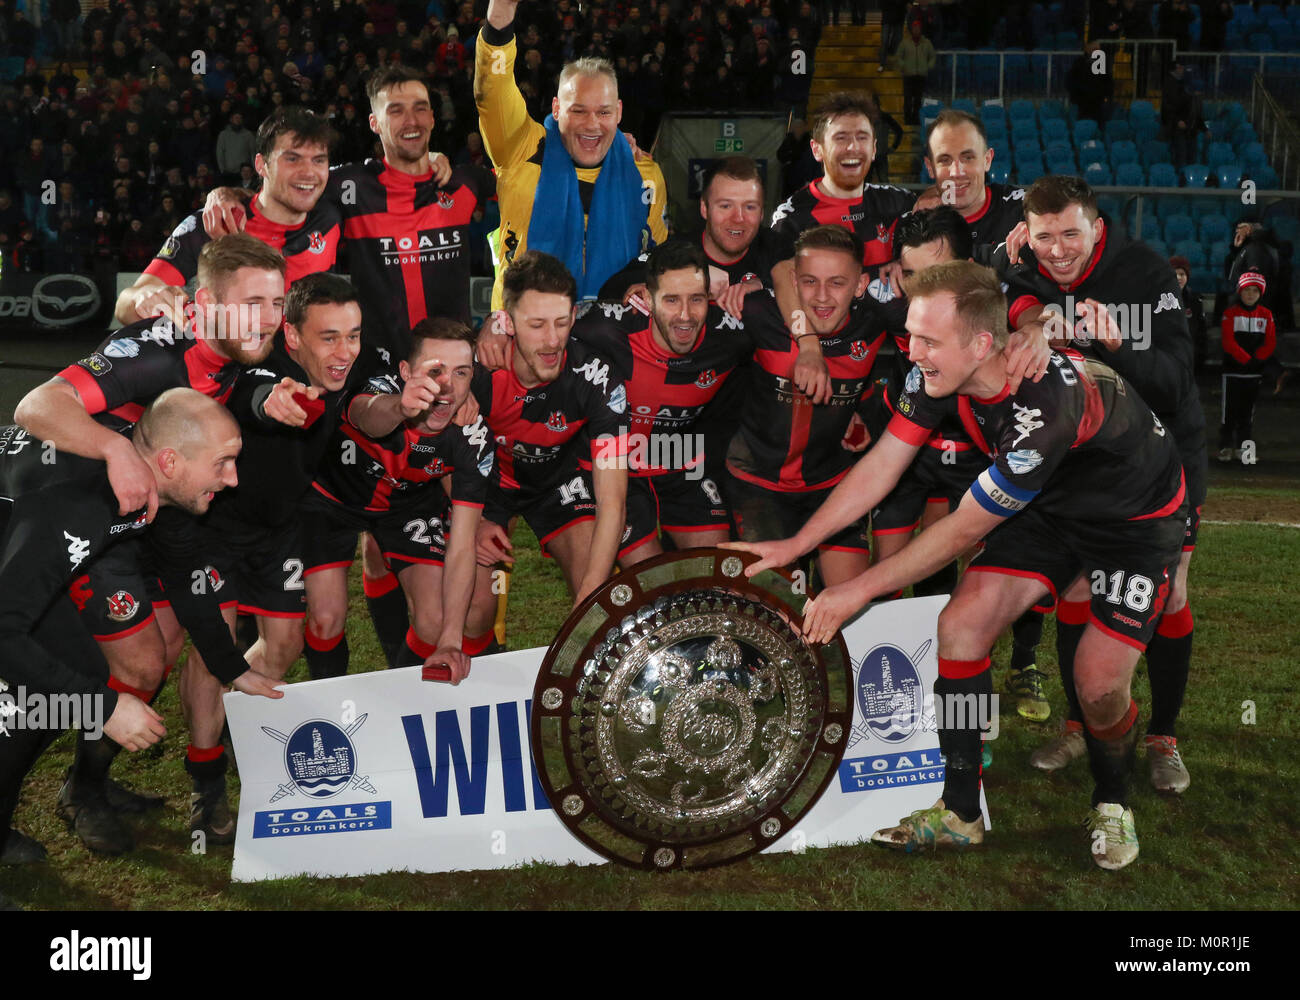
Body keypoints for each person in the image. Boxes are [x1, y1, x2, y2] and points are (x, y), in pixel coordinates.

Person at [730, 261, 1188, 870]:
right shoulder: (939, 376)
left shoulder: (1045, 407)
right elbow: (883, 465)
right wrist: (796, 544)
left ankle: (1112, 799)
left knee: (1099, 686)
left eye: (927, 340)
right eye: (911, 336)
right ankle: (960, 813)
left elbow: (959, 531)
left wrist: (854, 593)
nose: (912, 352)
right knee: (961, 627)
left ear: (979, 344)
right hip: (1049, 511)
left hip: (1133, 527)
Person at [13, 235, 289, 853]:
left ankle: (86, 779)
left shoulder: (235, 358)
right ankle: (79, 789)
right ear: (208, 302)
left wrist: (227, 666)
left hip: (136, 513)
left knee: (163, 645)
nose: (269, 318)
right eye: (254, 302)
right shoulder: (159, 347)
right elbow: (37, 405)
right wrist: (114, 449)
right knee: (127, 661)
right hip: (74, 510)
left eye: (278, 301)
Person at [0, 390, 280, 888]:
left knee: (60, 677)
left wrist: (232, 666)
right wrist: (104, 707)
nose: (233, 479)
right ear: (170, 461)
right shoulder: (81, 500)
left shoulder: (152, 488)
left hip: (19, 562)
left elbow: (182, 574)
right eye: (224, 463)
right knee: (26, 684)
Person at [998, 175, 1206, 793]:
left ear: (1097, 226)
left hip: (1166, 464)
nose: (1058, 250)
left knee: (1169, 597)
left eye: (1070, 234)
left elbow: (1176, 379)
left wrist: (1119, 345)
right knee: (1077, 590)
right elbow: (978, 278)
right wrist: (1009, 262)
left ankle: (1164, 737)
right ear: (1026, 234)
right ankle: (1077, 723)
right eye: (1044, 237)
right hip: (1085, 465)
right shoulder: (1024, 267)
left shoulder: (1143, 274)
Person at [301, 316, 490, 681]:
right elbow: (367, 414)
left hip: (406, 504)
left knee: (435, 621)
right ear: (405, 371)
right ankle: (327, 701)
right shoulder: (379, 388)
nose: (446, 386)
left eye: (462, 373)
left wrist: (451, 639)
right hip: (332, 501)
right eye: (435, 371)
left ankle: (395, 693)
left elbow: (463, 544)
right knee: (325, 619)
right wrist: (402, 408)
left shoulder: (474, 436)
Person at [462, 251, 629, 656]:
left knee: (601, 596)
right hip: (484, 485)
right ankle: (479, 682)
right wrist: (473, 521)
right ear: (508, 321)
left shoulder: (598, 377)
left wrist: (589, 596)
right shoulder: (477, 369)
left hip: (557, 482)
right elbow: (438, 458)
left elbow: (613, 501)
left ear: (575, 315)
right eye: (536, 325)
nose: (551, 340)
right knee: (472, 612)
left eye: (560, 322)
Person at [474, 0, 669, 309]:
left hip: (611, 342)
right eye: (578, 111)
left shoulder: (645, 175)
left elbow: (659, 261)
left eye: (603, 112)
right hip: (518, 334)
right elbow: (493, 90)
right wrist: (501, 15)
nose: (592, 125)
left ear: (618, 112)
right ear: (556, 108)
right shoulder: (521, 148)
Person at [727, 225, 887, 589]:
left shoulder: (875, 324)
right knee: (781, 608)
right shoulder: (758, 313)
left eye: (837, 283)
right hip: (759, 486)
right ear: (793, 282)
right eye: (810, 282)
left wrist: (866, 417)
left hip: (832, 484)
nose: (822, 297)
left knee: (848, 604)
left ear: (861, 286)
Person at [117, 107, 341, 327]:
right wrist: (143, 298)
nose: (309, 172)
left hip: (301, 362)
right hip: (232, 361)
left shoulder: (332, 213)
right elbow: (125, 306)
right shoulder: (216, 222)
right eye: (292, 159)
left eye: (319, 160)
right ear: (261, 165)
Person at [1218, 272, 1276, 463]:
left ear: (1261, 294)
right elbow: (1228, 342)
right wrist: (1245, 359)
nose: (1250, 294)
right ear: (1240, 291)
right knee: (1229, 412)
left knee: (1247, 414)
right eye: (1247, 290)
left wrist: (1257, 360)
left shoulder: (1266, 315)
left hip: (1253, 374)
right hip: (1232, 372)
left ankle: (1245, 449)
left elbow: (1270, 342)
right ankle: (1225, 447)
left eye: (1255, 291)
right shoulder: (1230, 313)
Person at [1170, 254, 1207, 374]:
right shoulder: (1158, 299)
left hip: (1189, 359)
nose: (1179, 277)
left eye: (1182, 274)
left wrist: (1199, 355)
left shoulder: (1195, 300)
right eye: (1175, 274)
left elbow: (1201, 330)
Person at [896, 19, 936, 125]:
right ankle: (907, 119)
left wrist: (928, 66)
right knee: (908, 99)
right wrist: (904, 66)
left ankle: (916, 119)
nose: (916, 30)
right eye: (914, 28)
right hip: (908, 75)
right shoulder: (905, 43)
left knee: (918, 99)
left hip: (921, 75)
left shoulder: (927, 43)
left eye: (918, 28)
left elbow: (932, 56)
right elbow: (898, 56)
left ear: (921, 30)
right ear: (911, 30)